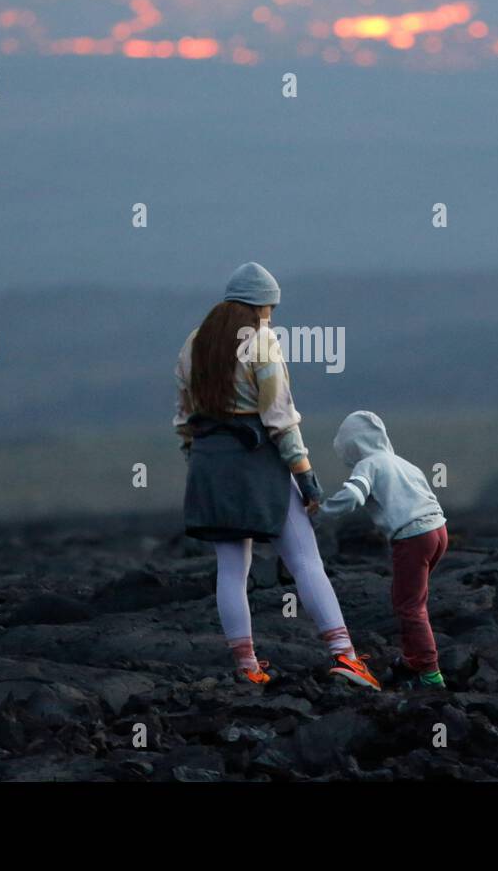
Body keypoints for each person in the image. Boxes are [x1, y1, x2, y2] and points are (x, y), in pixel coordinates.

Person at [174, 262, 380, 689]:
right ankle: (345, 656)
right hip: (258, 464)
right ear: (262, 306)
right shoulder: (262, 342)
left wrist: (201, 460)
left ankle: (247, 667)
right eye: (270, 308)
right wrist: (306, 478)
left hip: (209, 465)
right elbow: (280, 419)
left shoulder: (194, 344)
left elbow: (183, 419)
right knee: (305, 559)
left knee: (231, 569)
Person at [317, 411, 449, 689]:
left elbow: (354, 496)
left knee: (410, 606)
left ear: (352, 445)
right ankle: (413, 657)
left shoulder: (369, 465)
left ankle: (430, 672)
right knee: (411, 598)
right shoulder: (403, 463)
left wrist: (320, 511)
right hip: (439, 531)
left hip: (412, 536)